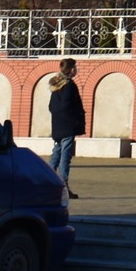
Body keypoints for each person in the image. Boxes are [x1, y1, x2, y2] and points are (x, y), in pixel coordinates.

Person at [46, 58, 85, 198]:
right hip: (67, 126)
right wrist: (74, 119)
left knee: (56, 154)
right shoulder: (68, 85)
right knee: (65, 156)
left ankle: (47, 183)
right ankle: (63, 187)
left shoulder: (56, 85)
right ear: (71, 69)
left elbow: (51, 107)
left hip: (57, 125)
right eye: (75, 67)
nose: (77, 69)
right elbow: (67, 105)